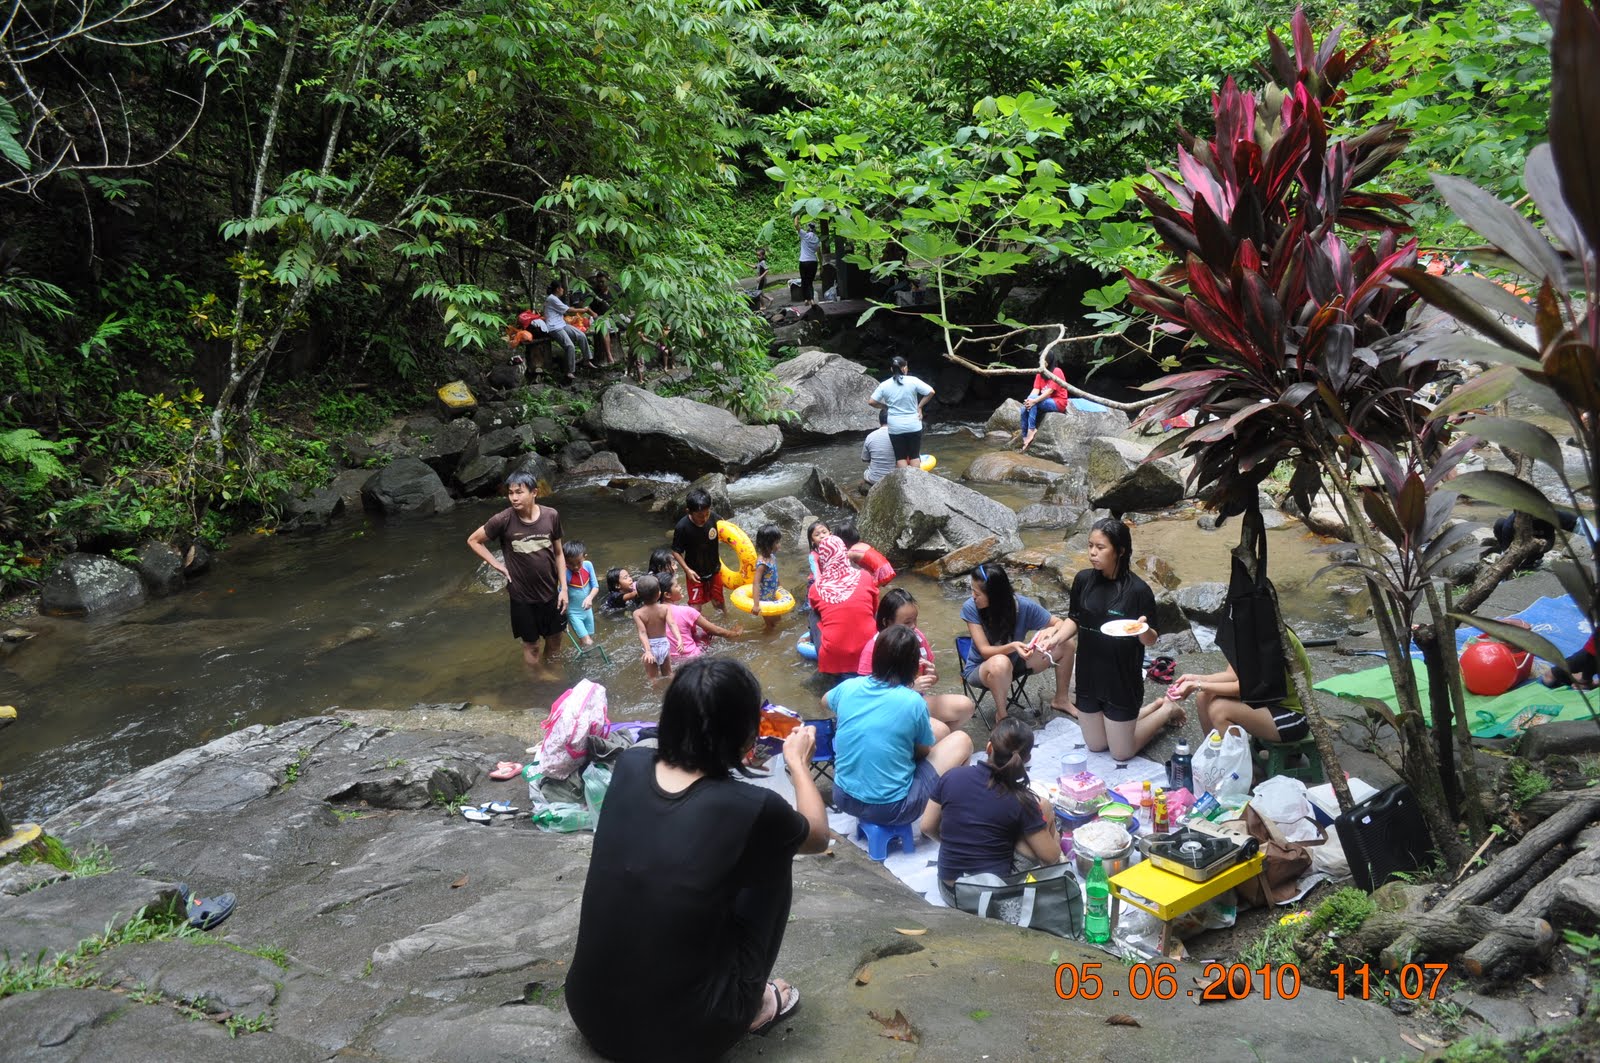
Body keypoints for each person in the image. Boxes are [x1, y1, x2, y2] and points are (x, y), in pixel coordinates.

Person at [565, 658, 830, 1062]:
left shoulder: (632, 763)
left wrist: (733, 760)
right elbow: (817, 836)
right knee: (777, 854)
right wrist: (797, 763)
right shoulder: (754, 807)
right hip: (682, 1040)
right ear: (747, 734)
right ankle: (755, 1002)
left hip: (589, 1011)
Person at [827, 626, 974, 826]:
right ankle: (948, 814)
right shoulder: (913, 701)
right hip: (892, 808)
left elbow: (825, 701)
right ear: (913, 665)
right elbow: (922, 752)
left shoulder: (849, 686)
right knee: (961, 740)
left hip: (843, 797)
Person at [920, 718, 1061, 906]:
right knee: (1043, 807)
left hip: (949, 890)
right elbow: (1051, 856)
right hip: (990, 897)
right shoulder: (1021, 800)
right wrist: (1056, 836)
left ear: (988, 748)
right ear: (1026, 759)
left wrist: (959, 841)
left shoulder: (952, 776)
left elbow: (927, 827)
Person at [1068, 518, 1169, 761]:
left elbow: (1150, 640)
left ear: (1120, 550)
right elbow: (1073, 620)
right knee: (1096, 746)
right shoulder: (1083, 580)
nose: (1092, 552)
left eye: (1100, 547)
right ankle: (1150, 709)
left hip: (1121, 679)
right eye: (1090, 545)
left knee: (1120, 753)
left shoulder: (1138, 591)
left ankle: (1166, 710)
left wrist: (1142, 628)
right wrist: (1052, 639)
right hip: (1088, 674)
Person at [466, 471, 568, 672]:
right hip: (522, 596)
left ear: (534, 493)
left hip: (550, 592)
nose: (514, 497)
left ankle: (554, 677)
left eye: (519, 492)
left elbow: (559, 553)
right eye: (510, 493)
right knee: (532, 646)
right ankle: (536, 681)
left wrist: (564, 588)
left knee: (555, 642)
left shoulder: (551, 515)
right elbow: (473, 540)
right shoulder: (503, 519)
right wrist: (496, 564)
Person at [960, 564, 1074, 721]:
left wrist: (1052, 631)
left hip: (1015, 662)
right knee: (1001, 663)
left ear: (994, 595)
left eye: (977, 593)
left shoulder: (1022, 606)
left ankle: (1061, 699)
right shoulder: (971, 607)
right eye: (972, 590)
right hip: (982, 669)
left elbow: (1059, 623)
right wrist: (1013, 646)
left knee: (1066, 644)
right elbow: (984, 650)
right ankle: (1002, 715)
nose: (973, 596)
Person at [857, 588, 975, 730]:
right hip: (888, 712)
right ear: (887, 622)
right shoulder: (873, 649)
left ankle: (931, 743)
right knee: (940, 731)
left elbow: (929, 680)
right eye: (907, 622)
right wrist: (909, 689)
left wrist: (932, 674)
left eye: (915, 620)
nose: (913, 626)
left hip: (915, 702)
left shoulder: (917, 637)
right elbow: (868, 698)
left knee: (965, 706)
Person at [1177, 621, 1314, 743]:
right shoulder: (1250, 629)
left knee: (1219, 709)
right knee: (1204, 696)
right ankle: (1215, 754)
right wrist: (1194, 678)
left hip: (1293, 716)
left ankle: (1241, 767)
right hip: (1269, 704)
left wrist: (1198, 685)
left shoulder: (1272, 639)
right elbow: (1230, 675)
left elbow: (1245, 689)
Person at [808, 534, 879, 678]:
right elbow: (874, 608)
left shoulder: (816, 588)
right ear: (843, 552)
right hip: (870, 652)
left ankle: (818, 651)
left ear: (824, 557)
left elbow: (820, 613)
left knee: (813, 615)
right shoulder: (865, 577)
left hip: (835, 659)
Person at [868, 356, 934, 468]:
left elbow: (871, 402)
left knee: (900, 457)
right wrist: (919, 406)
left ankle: (905, 483)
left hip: (895, 426)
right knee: (914, 456)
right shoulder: (913, 381)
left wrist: (885, 406)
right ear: (905, 368)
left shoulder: (884, 385)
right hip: (913, 424)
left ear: (891, 369)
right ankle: (915, 480)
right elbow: (931, 392)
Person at [671, 488, 727, 614]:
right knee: (695, 607)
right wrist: (687, 570)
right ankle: (693, 631)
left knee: (719, 602)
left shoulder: (714, 518)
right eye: (700, 515)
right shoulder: (682, 527)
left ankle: (726, 620)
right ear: (689, 512)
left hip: (714, 568)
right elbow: (675, 551)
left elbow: (726, 529)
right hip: (694, 573)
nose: (705, 518)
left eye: (707, 513)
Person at [543, 279, 595, 383]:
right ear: (558, 289)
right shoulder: (552, 299)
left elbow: (567, 310)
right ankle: (570, 371)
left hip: (562, 324)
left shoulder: (556, 299)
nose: (563, 290)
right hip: (554, 327)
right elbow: (569, 311)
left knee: (581, 335)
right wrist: (584, 310)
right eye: (562, 288)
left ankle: (586, 359)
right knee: (569, 346)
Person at [1018, 351, 1071, 451]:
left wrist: (1033, 401)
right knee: (1023, 409)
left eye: (1043, 360)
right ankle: (1025, 437)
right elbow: (1036, 389)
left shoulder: (1056, 371)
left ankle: (1031, 430)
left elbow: (1050, 391)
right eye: (1040, 359)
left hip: (1058, 402)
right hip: (1044, 400)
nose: (1040, 362)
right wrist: (1029, 400)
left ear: (1049, 360)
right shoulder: (1040, 373)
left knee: (1034, 403)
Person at [669, 600, 742, 668]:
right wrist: (735, 634)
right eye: (676, 586)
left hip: (670, 660)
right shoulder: (685, 610)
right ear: (667, 594)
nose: (680, 587)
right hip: (693, 657)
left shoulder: (658, 612)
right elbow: (716, 631)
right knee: (704, 632)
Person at [632, 575, 675, 679]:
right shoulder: (665, 608)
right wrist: (679, 639)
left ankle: (656, 692)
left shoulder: (638, 613)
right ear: (659, 593)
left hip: (650, 647)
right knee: (668, 673)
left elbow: (642, 633)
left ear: (638, 594)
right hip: (664, 644)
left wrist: (648, 651)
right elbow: (672, 624)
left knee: (652, 678)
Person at [564, 540, 599, 649]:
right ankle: (594, 662)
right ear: (564, 561)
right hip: (574, 613)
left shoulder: (588, 565)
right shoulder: (564, 573)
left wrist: (590, 597)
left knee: (589, 638)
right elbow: (561, 596)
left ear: (584, 557)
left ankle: (583, 661)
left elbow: (595, 586)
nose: (575, 567)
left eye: (578, 562)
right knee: (588, 642)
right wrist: (563, 620)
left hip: (587, 610)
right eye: (570, 564)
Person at [754, 524, 783, 632]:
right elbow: (756, 583)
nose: (779, 545)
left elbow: (775, 573)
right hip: (764, 600)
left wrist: (779, 586)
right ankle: (766, 639)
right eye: (776, 542)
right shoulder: (762, 564)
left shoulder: (772, 557)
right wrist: (756, 605)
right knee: (771, 626)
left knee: (778, 619)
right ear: (767, 544)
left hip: (772, 594)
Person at [861, 418, 897, 489]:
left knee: (866, 472)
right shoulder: (899, 436)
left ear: (880, 421)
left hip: (873, 479)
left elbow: (864, 459)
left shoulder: (870, 436)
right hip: (894, 478)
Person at [796, 218, 821, 303]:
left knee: (804, 280)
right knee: (810, 282)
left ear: (808, 228)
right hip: (813, 262)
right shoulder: (817, 239)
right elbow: (819, 253)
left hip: (804, 261)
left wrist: (796, 215)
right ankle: (812, 299)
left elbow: (796, 225)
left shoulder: (805, 235)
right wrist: (821, 265)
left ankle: (806, 299)